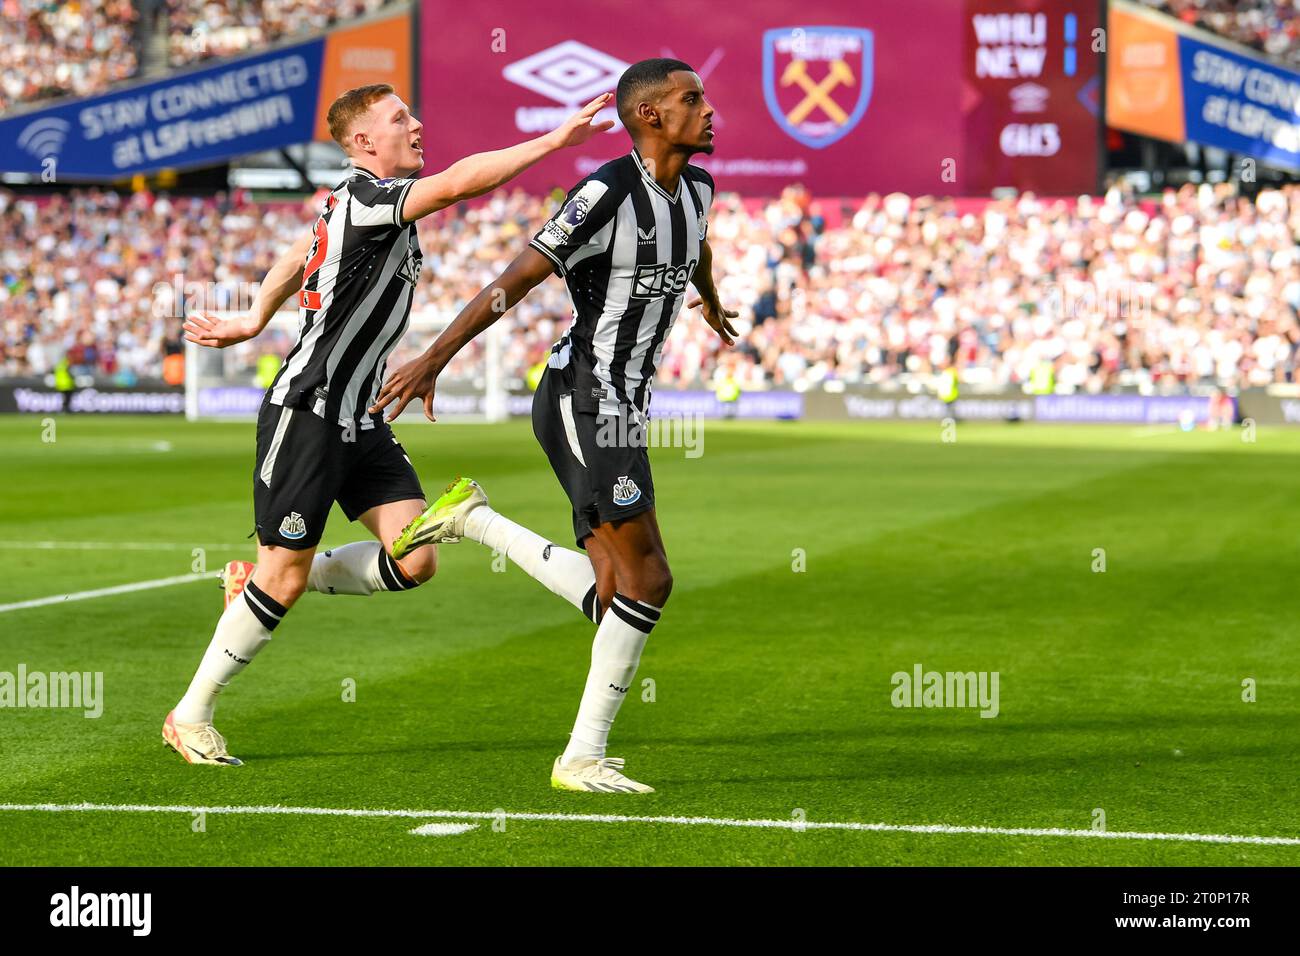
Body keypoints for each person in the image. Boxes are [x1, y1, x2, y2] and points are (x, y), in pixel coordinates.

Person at [162, 83, 613, 766]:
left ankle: (267, 577)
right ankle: (189, 715)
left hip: (363, 418)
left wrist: (257, 313)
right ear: (364, 142)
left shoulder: (353, 205)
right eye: (399, 118)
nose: (417, 123)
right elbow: (458, 184)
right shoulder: (372, 198)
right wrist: (554, 142)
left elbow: (296, 254)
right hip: (308, 412)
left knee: (417, 558)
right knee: (280, 581)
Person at [371, 59, 738, 793]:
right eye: (691, 99)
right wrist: (434, 357)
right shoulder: (604, 194)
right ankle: (581, 756)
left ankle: (477, 523)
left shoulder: (697, 187)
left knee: (615, 596)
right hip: (585, 397)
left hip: (622, 403)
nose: (708, 109)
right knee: (652, 578)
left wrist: (709, 298)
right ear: (651, 118)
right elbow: (515, 279)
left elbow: (693, 244)